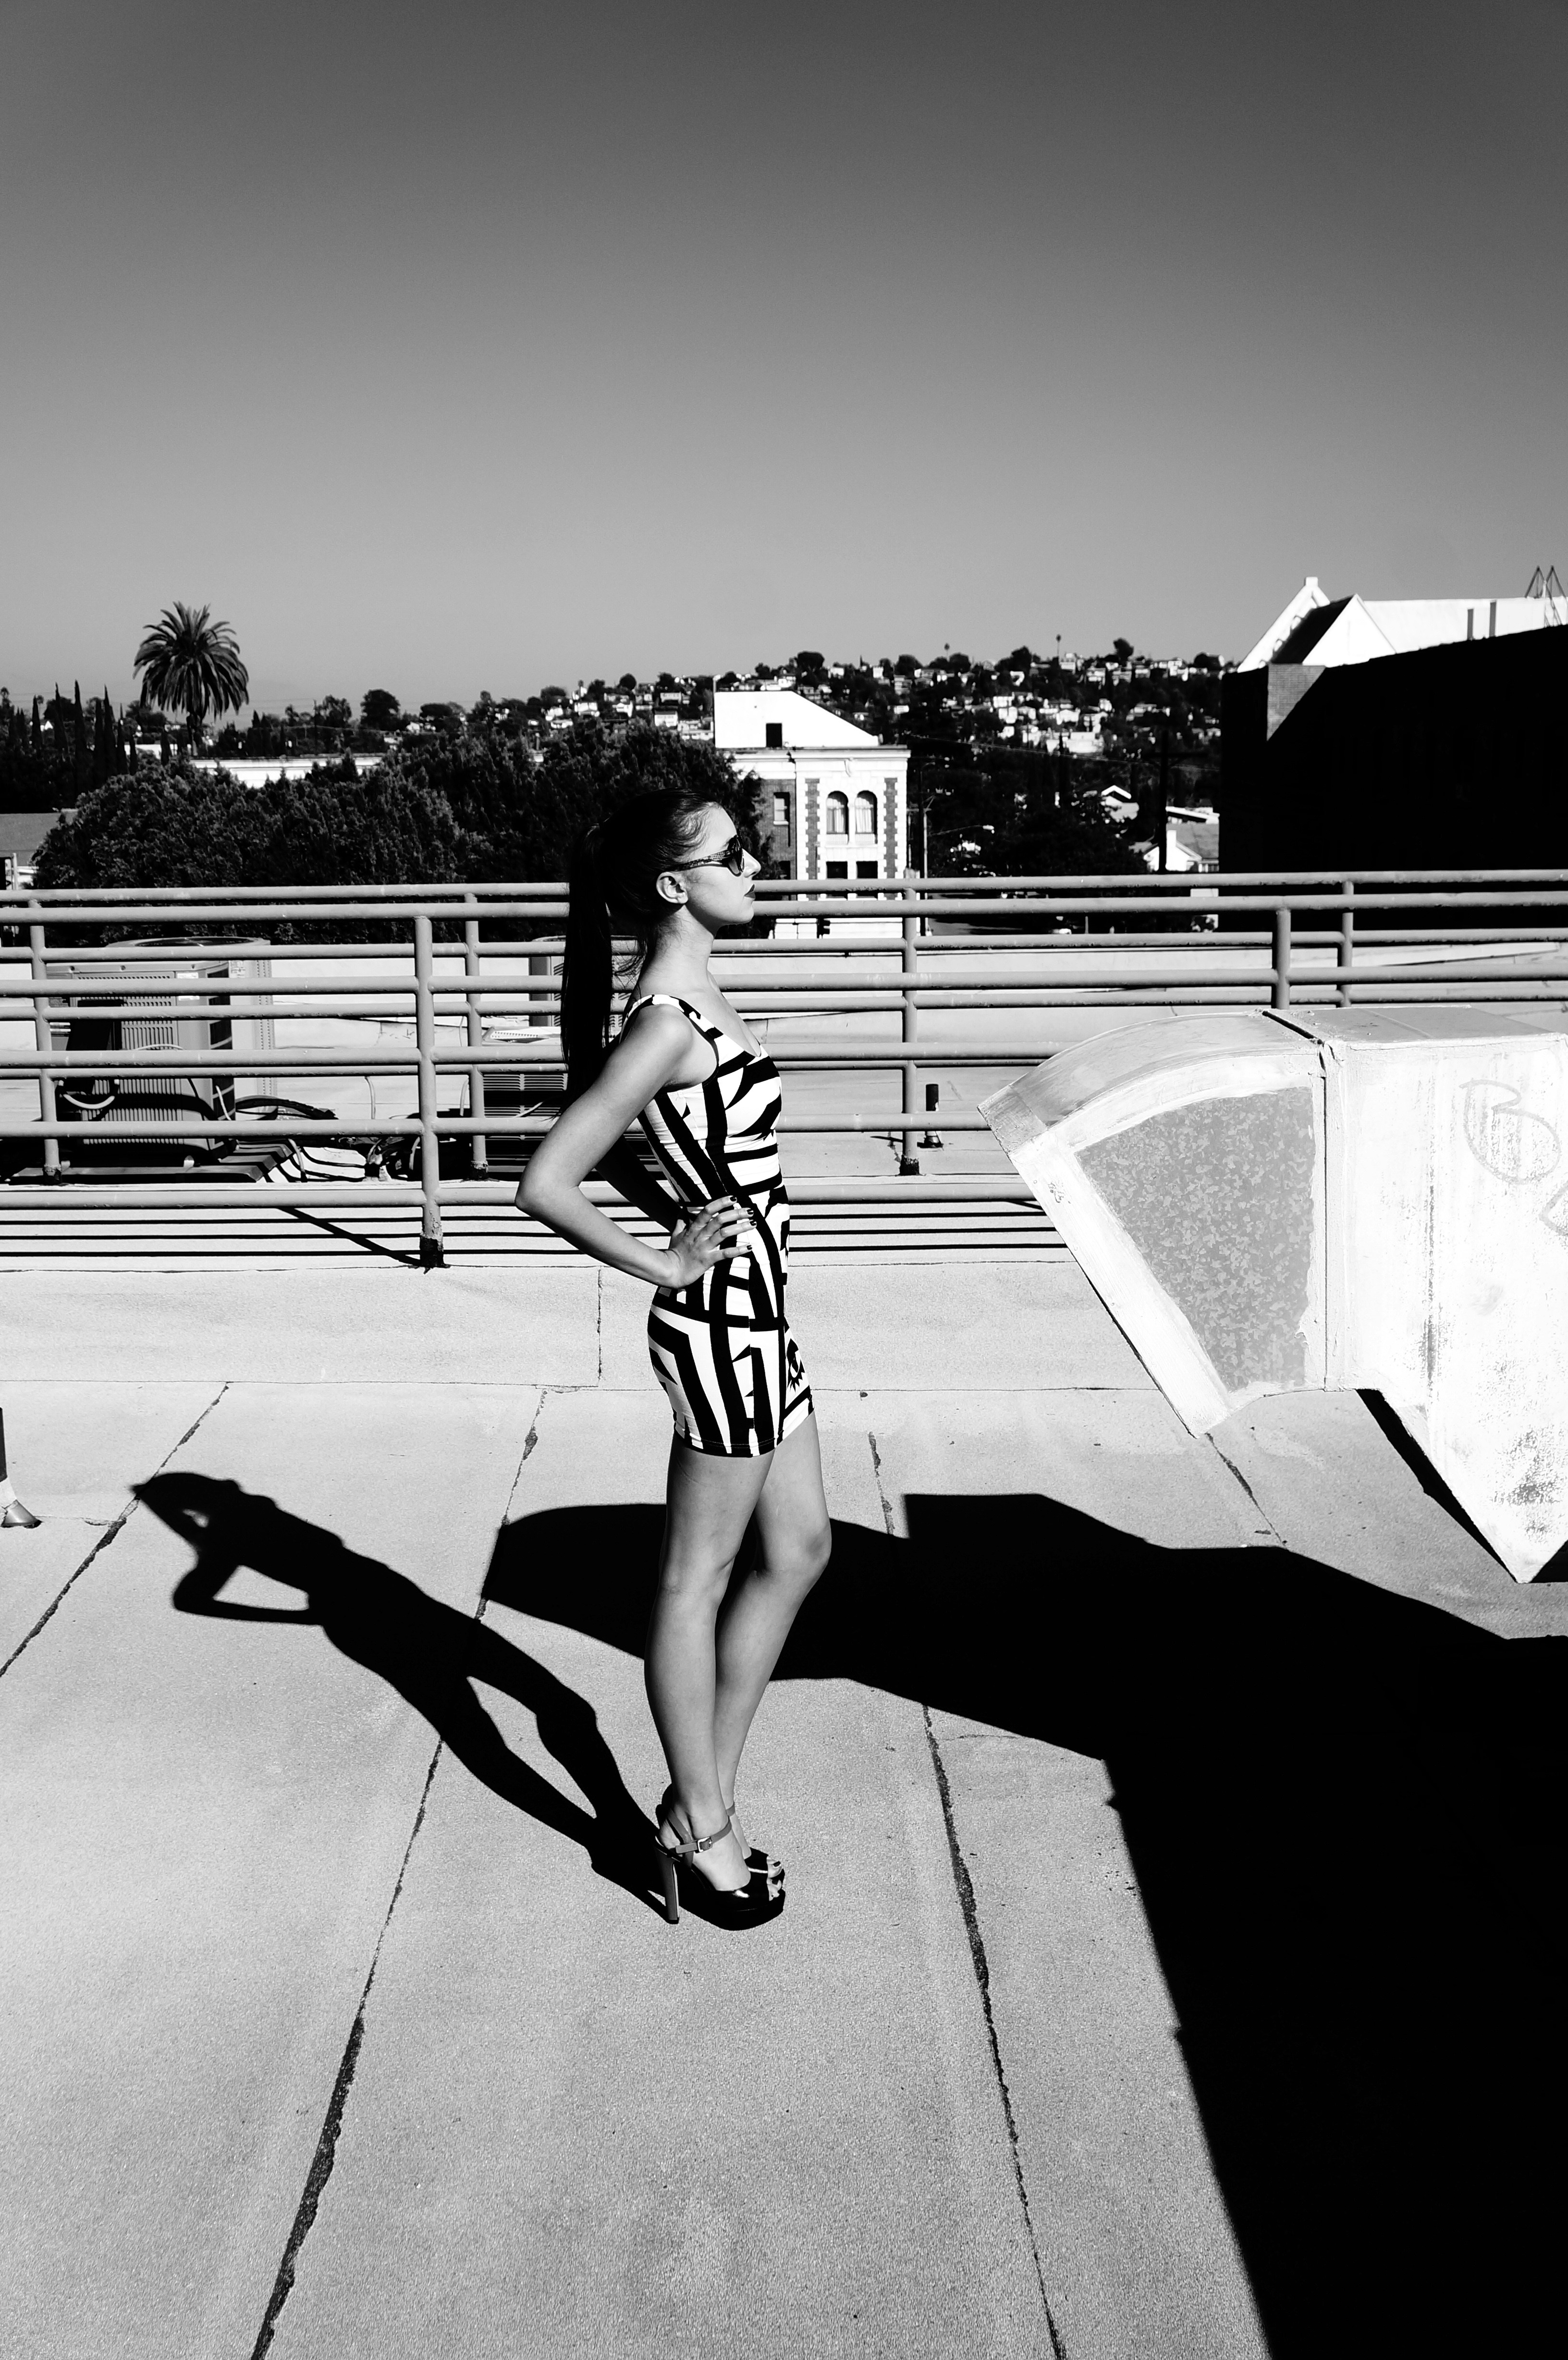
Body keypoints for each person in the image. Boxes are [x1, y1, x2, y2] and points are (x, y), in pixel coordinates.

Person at [517, 788, 832, 1928]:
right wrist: (664, 1264)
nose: (757, 863)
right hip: (722, 1325)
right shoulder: (665, 1022)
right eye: (731, 855)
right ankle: (700, 1824)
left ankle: (702, 1790)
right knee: (692, 1579)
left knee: (799, 1547)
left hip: (765, 1317)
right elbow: (546, 1179)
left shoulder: (700, 992)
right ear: (671, 887)